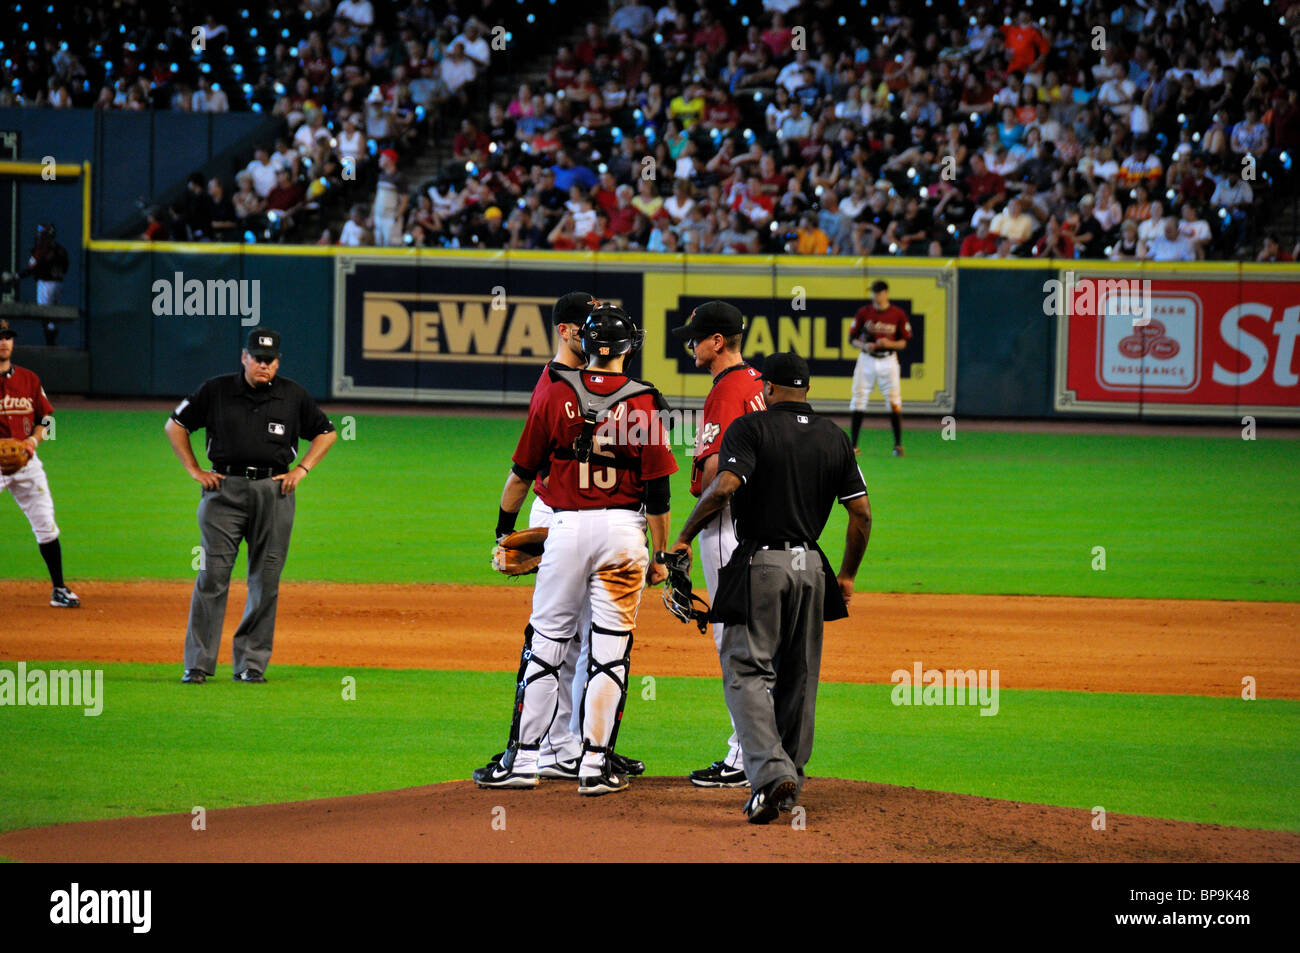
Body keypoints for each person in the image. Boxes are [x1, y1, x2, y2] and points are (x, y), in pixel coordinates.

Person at [475, 304, 676, 795]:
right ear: (630, 347)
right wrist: (662, 556)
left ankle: (523, 761)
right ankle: (593, 765)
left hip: (563, 529)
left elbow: (520, 474)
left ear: (584, 344)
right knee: (609, 652)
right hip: (623, 535)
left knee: (545, 646)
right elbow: (659, 495)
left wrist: (503, 530)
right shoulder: (645, 402)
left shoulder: (556, 393)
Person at [667, 351, 872, 823]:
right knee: (800, 675)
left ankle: (769, 773)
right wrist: (846, 575)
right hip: (812, 569)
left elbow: (723, 487)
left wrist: (683, 536)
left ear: (768, 390)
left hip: (762, 564)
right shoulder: (835, 437)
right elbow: (860, 513)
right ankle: (789, 779)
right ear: (807, 388)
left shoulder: (751, 427)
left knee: (745, 668)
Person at [165, 329, 337, 684]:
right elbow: (175, 424)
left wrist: (302, 469)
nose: (264, 365)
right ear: (244, 357)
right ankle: (197, 664)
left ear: (278, 362)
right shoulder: (215, 390)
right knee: (212, 575)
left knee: (265, 579)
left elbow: (327, 431)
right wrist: (194, 470)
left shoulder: (293, 395)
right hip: (222, 492)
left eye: (270, 360)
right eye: (257, 358)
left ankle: (250, 664)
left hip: (273, 493)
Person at [669, 302, 766, 789]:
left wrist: (684, 534)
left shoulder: (727, 391)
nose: (691, 345)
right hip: (761, 525)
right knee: (756, 639)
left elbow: (715, 471)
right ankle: (765, 750)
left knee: (733, 643)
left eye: (696, 338)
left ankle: (743, 755)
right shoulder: (757, 382)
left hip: (727, 523)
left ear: (718, 342)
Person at [0, 320, 80, 607]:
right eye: (0, 338)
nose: (4, 342)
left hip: (26, 461)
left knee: (46, 524)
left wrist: (33, 442)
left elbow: (47, 420)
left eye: (8, 337)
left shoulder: (30, 379)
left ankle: (58, 589)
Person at [847, 280, 912, 456]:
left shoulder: (897, 314)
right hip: (867, 359)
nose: (876, 295)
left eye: (878, 292)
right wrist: (863, 345)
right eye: (874, 292)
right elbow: (851, 338)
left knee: (894, 401)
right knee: (859, 399)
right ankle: (853, 446)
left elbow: (904, 342)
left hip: (888, 359)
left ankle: (898, 445)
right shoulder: (864, 312)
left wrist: (889, 343)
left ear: (886, 293)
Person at [8, 225, 70, 345]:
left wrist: (16, 277)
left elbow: (31, 268)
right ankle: (52, 341)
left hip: (46, 284)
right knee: (53, 316)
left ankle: (50, 343)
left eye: (41, 234)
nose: (39, 237)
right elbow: (66, 267)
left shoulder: (42, 249)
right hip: (59, 284)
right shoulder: (61, 249)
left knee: (45, 315)